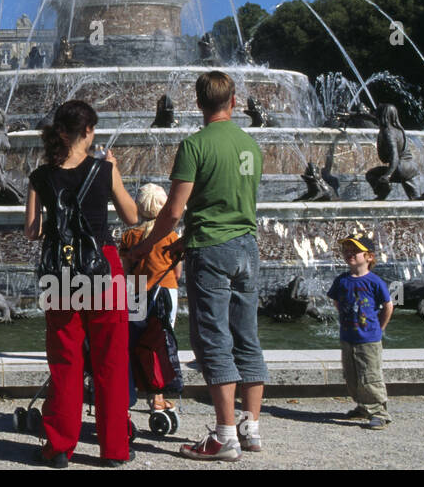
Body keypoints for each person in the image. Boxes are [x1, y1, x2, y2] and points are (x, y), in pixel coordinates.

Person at [129, 70, 266, 461]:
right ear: (234, 101)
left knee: (214, 340)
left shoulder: (195, 146)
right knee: (247, 335)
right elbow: (231, 206)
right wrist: (183, 244)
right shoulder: (251, 147)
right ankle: (250, 427)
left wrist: (148, 247)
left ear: (198, 104)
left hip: (212, 251)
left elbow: (172, 212)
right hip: (247, 247)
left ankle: (224, 437)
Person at [25, 99, 139, 467]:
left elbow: (32, 231)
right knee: (111, 360)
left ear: (59, 132)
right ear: (86, 132)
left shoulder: (40, 176)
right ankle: (115, 450)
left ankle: (59, 447)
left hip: (61, 270)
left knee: (65, 359)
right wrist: (114, 171)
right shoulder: (104, 170)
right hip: (102, 266)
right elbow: (132, 215)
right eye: (91, 130)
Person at [119, 182, 182, 413]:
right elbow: (177, 273)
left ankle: (130, 391)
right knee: (160, 344)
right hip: (165, 292)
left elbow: (124, 272)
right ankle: (158, 398)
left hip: (136, 292)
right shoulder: (171, 236)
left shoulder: (128, 237)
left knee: (134, 342)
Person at [328, 233, 394, 430]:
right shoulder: (342, 280)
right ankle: (363, 406)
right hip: (348, 337)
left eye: (355, 250)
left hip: (369, 339)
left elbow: (388, 306)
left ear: (369, 257)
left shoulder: (375, 282)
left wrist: (379, 328)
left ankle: (379, 413)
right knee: (352, 375)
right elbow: (337, 302)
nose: (350, 253)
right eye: (346, 250)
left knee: (370, 375)